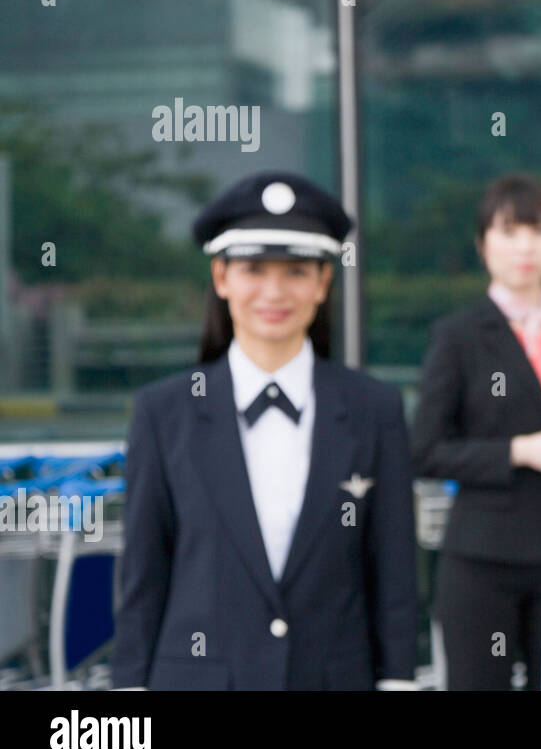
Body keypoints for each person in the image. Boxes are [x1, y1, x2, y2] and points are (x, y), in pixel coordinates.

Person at [112, 171, 418, 690]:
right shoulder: (163, 412)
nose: (274, 292)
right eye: (253, 269)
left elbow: (393, 566)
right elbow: (143, 573)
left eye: (297, 271)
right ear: (221, 277)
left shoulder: (375, 408)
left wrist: (399, 680)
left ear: (323, 283)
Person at [412, 174, 541, 690]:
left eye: (539, 231)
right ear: (482, 245)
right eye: (509, 231)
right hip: (481, 558)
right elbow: (425, 450)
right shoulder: (457, 336)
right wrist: (520, 450)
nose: (525, 246)